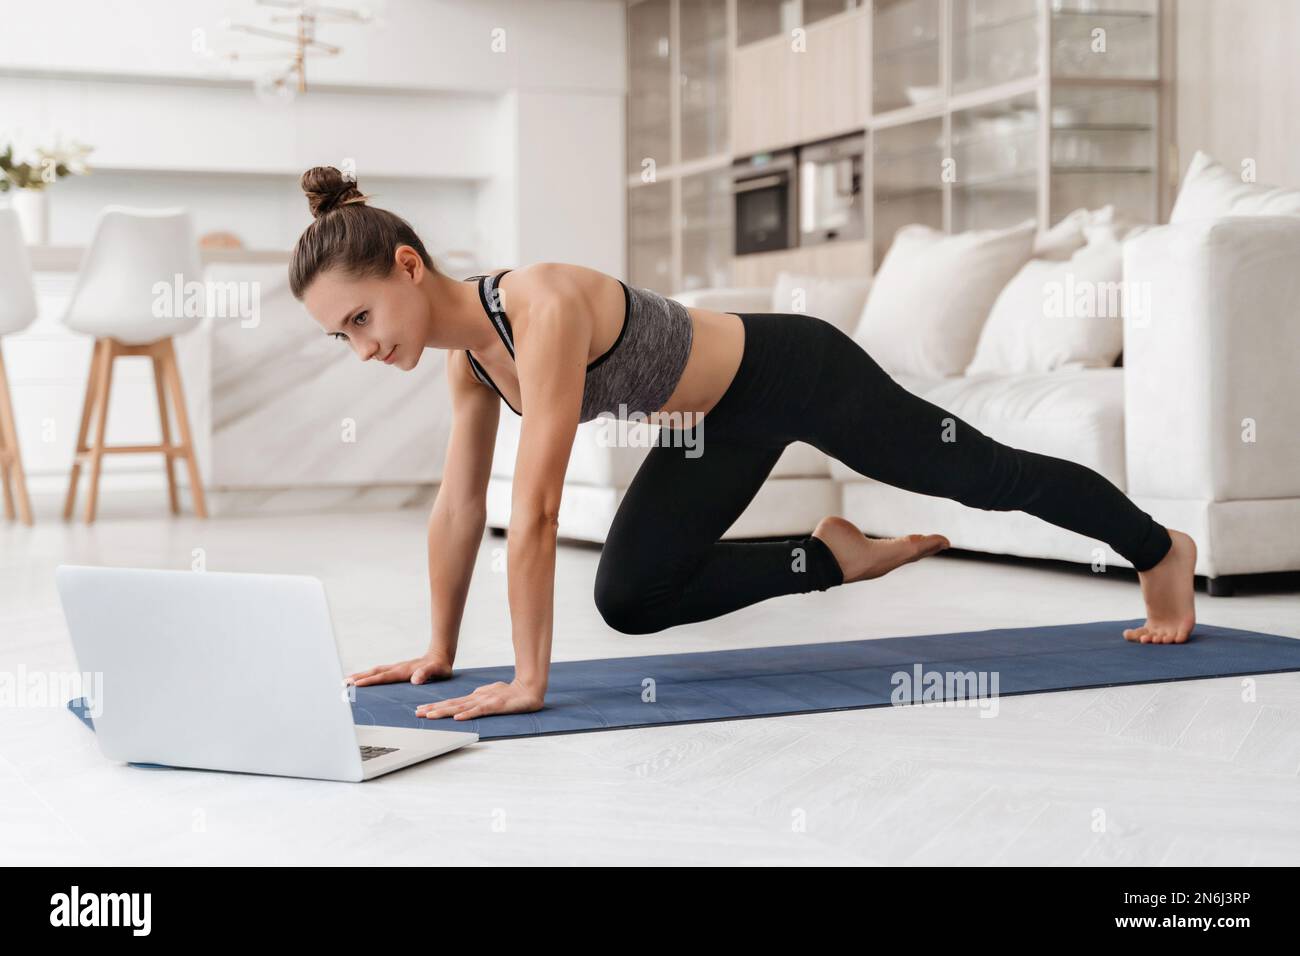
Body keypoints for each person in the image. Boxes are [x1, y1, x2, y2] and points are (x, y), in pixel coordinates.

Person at [289, 166, 1198, 721]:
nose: (366, 347)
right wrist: (439, 647)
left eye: (363, 317)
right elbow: (461, 508)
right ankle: (829, 557)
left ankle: (1159, 549)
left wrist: (530, 680)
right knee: (631, 597)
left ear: (408, 266)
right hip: (711, 425)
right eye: (344, 336)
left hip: (792, 370)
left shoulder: (542, 304)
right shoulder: (469, 363)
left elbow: (534, 507)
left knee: (980, 473)